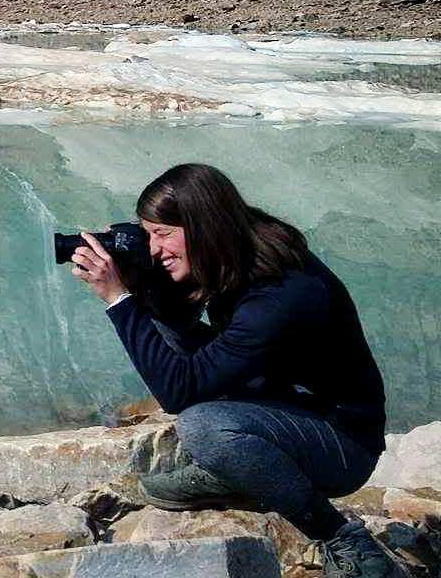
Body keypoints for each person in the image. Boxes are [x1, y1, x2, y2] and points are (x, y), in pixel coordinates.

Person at [69, 163, 398, 578]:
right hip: (284, 405)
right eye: (148, 233)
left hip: (343, 445)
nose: (154, 248)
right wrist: (139, 276)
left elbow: (180, 391)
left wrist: (118, 298)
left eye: (162, 234)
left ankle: (341, 538)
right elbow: (179, 324)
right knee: (155, 319)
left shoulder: (279, 294)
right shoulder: (233, 248)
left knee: (204, 426)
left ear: (204, 224)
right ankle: (233, 472)